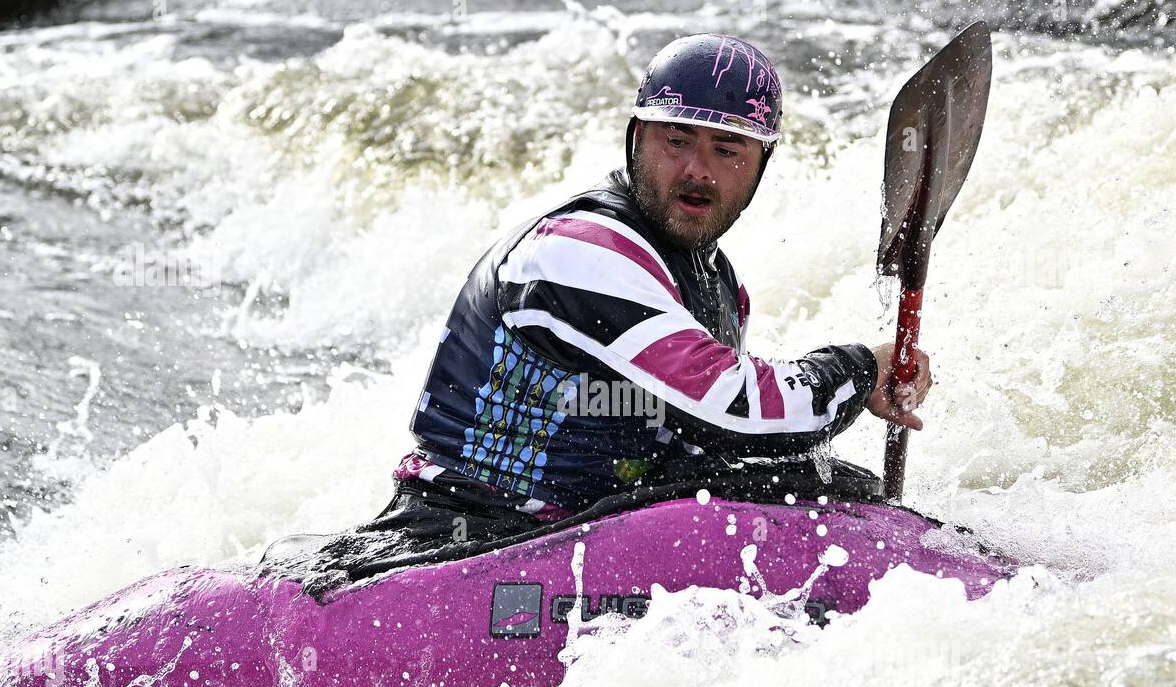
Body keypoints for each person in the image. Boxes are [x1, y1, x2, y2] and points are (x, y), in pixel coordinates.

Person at [364, 33, 932, 546]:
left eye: (727, 151)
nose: (698, 171)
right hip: (468, 537)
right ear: (636, 138)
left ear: (762, 163)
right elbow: (730, 408)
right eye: (677, 140)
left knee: (833, 488)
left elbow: (707, 446)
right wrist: (860, 371)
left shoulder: (719, 285)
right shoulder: (579, 252)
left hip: (582, 527)